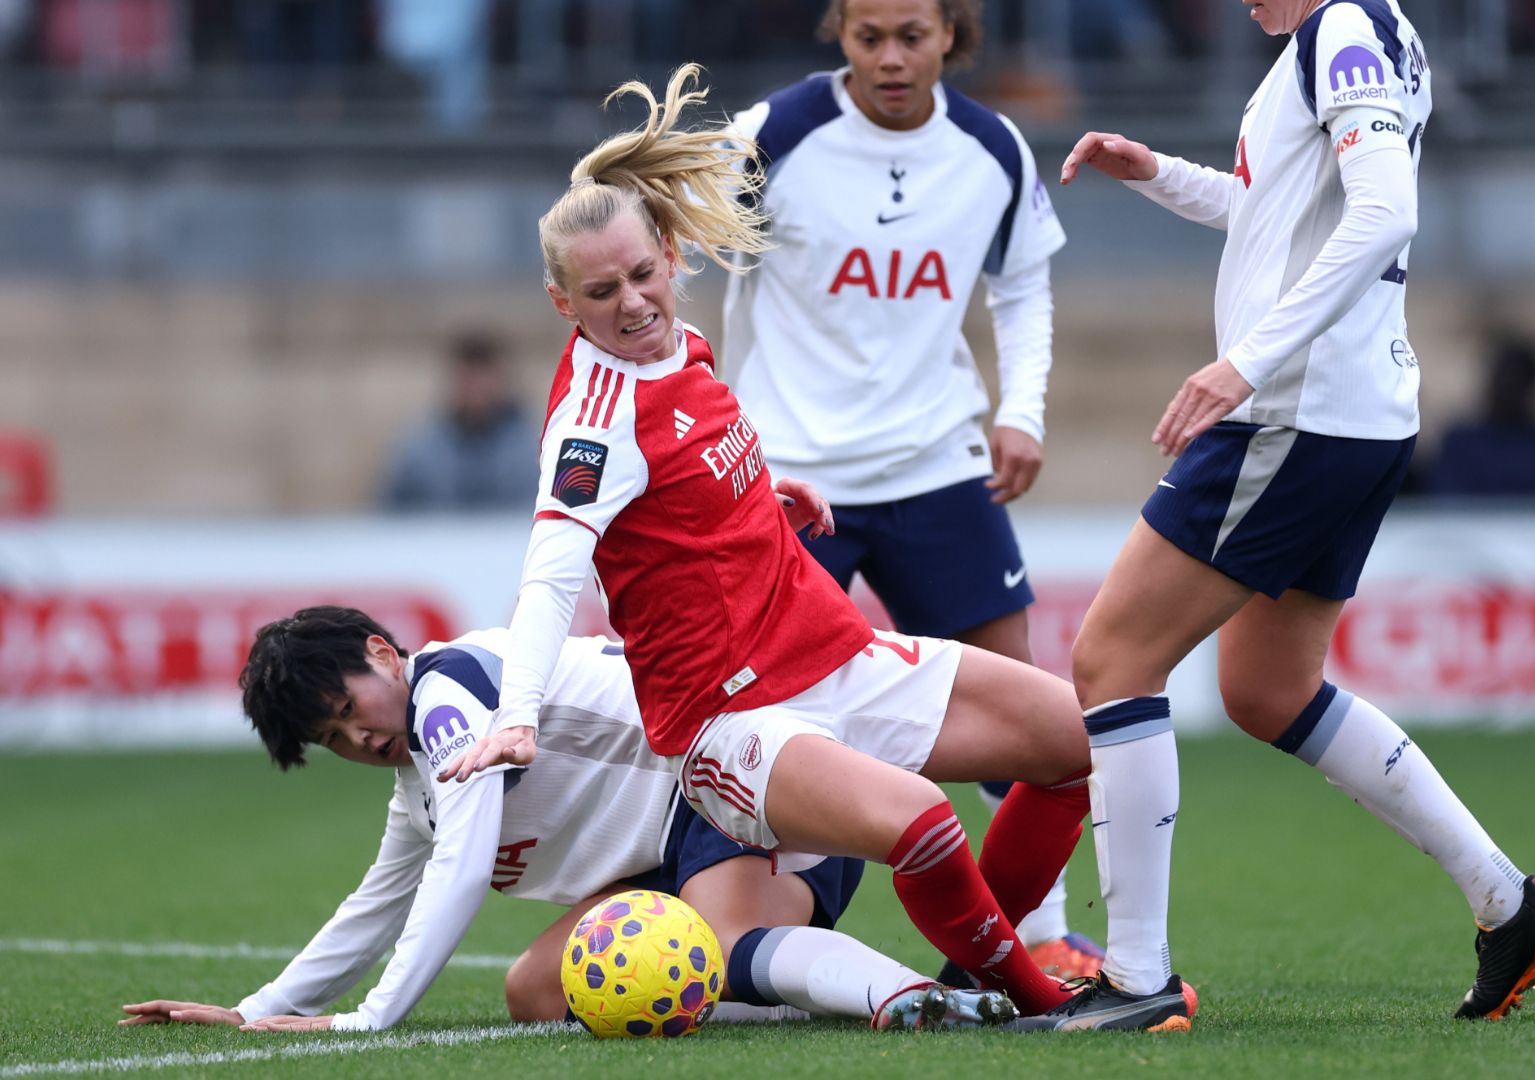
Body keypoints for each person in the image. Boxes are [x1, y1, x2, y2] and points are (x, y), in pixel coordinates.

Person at [435, 65, 1116, 1024]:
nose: (631, 302)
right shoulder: (591, 418)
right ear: (562, 305)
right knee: (921, 825)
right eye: (601, 292)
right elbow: (552, 571)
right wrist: (517, 714)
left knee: (1075, 743)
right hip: (730, 720)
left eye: (641, 274)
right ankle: (1041, 1000)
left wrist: (761, 483)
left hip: (830, 651)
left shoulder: (683, 345)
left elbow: (692, 456)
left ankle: (974, 975)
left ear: (669, 255)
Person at [1020, 0, 1535, 1031]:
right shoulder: (1354, 39)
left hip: (1296, 411)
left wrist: (1247, 363)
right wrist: (1162, 175)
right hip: (1354, 414)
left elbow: (1384, 213)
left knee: (1110, 661)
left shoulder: (1343, 30)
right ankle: (1507, 902)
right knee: (1270, 688)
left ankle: (1137, 979)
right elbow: (1282, 212)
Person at [118, 606, 1015, 1033]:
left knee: (725, 935)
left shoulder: (448, 693)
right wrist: (255, 1012)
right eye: (330, 738)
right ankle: (791, 996)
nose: (354, 735)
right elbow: (375, 906)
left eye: (345, 707)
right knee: (536, 994)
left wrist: (369, 1021)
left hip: (748, 787)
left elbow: (464, 868)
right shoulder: (421, 782)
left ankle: (918, 996)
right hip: (680, 852)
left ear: (382, 654)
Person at [717, 0, 1096, 976]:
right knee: (754, 713)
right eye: (868, 36)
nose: (890, 58)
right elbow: (675, 266)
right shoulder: (773, 135)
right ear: (839, 32)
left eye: (911, 37)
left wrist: (1026, 413)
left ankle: (1037, 935)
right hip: (792, 476)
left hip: (937, 466)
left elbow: (1022, 288)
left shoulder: (990, 147)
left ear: (951, 37)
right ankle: (723, 920)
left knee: (1027, 720)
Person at [1422, 337, 1535, 503]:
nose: (1505, 390)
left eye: (1514, 382)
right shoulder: (1461, 444)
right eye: (1501, 379)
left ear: (1531, 389)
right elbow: (1443, 506)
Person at [378, 334, 540, 512]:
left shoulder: (536, 451)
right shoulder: (420, 453)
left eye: (485, 378)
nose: (477, 389)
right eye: (469, 379)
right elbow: (388, 518)